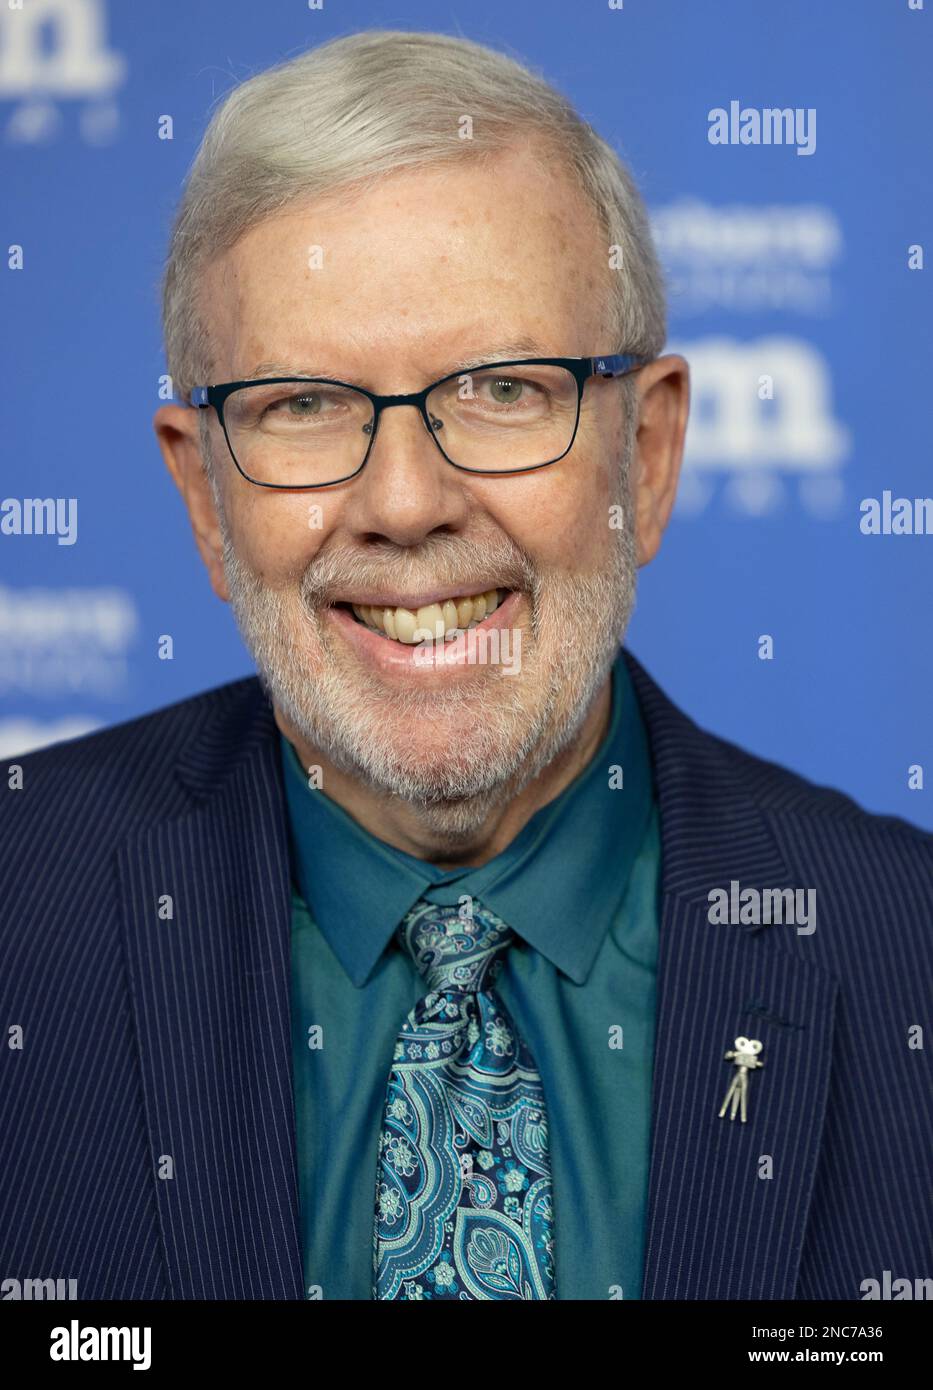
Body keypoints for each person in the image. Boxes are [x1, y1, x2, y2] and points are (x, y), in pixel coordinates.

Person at [1, 30, 929, 1303]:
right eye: (303, 401)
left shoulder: (905, 951)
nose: (403, 500)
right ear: (207, 501)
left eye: (501, 387)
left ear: (645, 460)